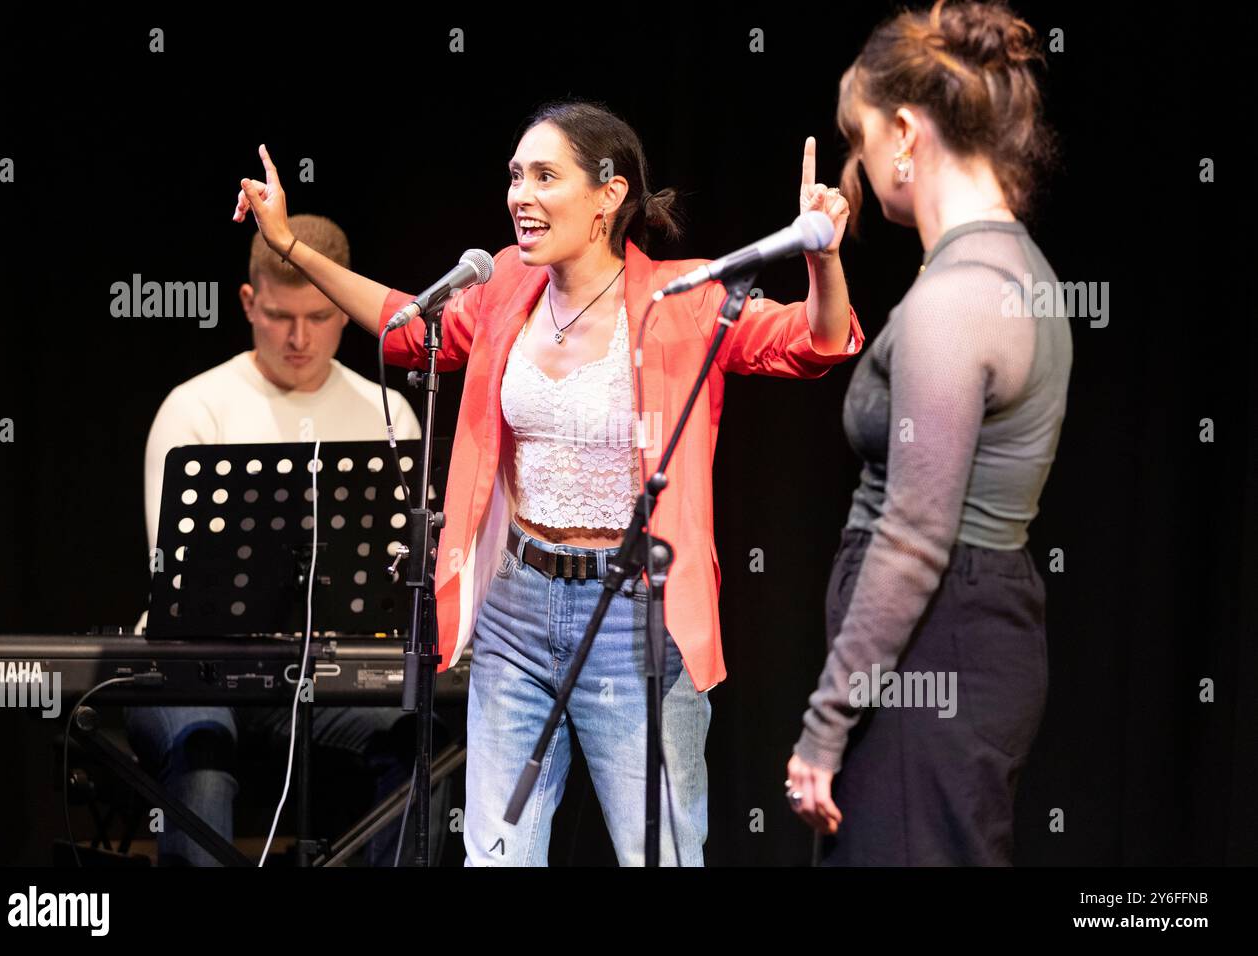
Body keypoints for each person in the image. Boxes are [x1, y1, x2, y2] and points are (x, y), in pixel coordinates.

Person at [233, 100, 864, 865]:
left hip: (636, 623)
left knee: (660, 855)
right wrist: (291, 245)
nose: (520, 196)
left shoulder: (685, 297)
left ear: (609, 194)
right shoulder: (504, 285)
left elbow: (817, 343)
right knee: (496, 856)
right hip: (517, 612)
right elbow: (410, 326)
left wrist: (821, 258)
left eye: (544, 176)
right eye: (515, 177)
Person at [785, 0, 1070, 865]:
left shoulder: (959, 297)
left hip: (927, 657)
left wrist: (825, 725)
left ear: (905, 132)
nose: (858, 163)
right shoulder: (1005, 269)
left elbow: (912, 537)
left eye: (860, 135)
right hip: (957, 643)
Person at [128, 214, 446, 866]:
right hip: (195, 673)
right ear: (249, 302)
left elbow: (409, 567)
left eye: (322, 317)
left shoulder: (386, 412)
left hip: (318, 677)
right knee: (204, 757)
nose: (300, 337)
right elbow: (177, 576)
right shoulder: (197, 406)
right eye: (279, 316)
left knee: (425, 745)